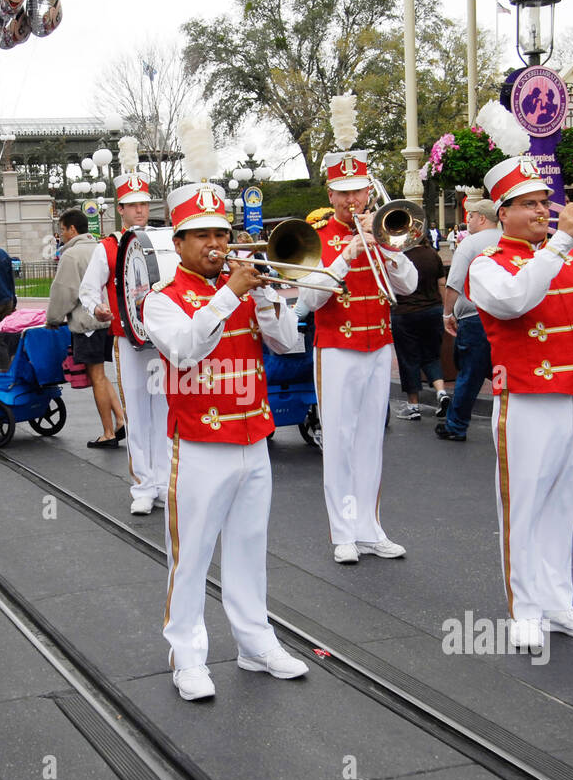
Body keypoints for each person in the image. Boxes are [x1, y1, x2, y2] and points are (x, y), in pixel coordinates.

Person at [142, 179, 308, 701]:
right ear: (179, 242)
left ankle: (255, 642)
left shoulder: (245, 287)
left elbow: (287, 343)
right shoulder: (161, 300)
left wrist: (266, 299)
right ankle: (187, 653)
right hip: (198, 442)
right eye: (201, 236)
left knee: (248, 546)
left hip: (253, 436)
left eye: (221, 232)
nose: (215, 244)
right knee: (190, 554)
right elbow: (187, 350)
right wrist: (229, 293)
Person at [465, 157, 573, 649]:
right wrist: (560, 242)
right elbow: (514, 301)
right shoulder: (487, 264)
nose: (544, 210)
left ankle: (559, 602)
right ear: (504, 213)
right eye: (531, 204)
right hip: (526, 395)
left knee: (562, 502)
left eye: (545, 202)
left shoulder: (572, 257)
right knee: (524, 504)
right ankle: (525, 607)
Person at [294, 149, 418, 564]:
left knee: (370, 441)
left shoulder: (381, 230)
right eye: (344, 193)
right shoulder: (319, 240)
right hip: (336, 349)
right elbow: (308, 300)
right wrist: (346, 256)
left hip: (378, 344)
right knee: (340, 440)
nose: (353, 201)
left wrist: (388, 249)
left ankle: (370, 528)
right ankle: (344, 530)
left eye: (359, 192)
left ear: (369, 191)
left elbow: (409, 285)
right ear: (330, 194)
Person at [78, 155, 171, 515]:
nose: (139, 211)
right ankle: (143, 485)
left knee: (163, 410)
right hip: (127, 338)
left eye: (144, 204)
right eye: (132, 205)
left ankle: (164, 480)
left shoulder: (162, 240)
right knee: (136, 411)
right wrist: (97, 308)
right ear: (120, 208)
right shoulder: (108, 247)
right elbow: (88, 291)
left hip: (162, 339)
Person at [46, 208, 126, 448]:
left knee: (97, 377)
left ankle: (108, 432)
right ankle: (120, 420)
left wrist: (53, 318)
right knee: (100, 374)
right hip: (106, 320)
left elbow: (65, 292)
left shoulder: (73, 256)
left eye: (62, 229)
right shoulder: (101, 247)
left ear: (72, 229)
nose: (61, 235)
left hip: (87, 322)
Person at [437, 199, 499, 441]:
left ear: (482, 218)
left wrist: (447, 313)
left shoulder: (470, 244)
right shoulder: (510, 239)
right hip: (506, 317)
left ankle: (456, 425)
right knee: (503, 371)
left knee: (469, 373)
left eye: (471, 216)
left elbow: (453, 283)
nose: (468, 221)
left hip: (475, 317)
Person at [390, 232, 448, 420]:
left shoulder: (399, 256)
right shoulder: (432, 254)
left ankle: (413, 406)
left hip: (405, 312)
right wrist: (445, 309)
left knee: (408, 358)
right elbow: (442, 283)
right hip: (432, 310)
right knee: (431, 355)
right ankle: (441, 393)